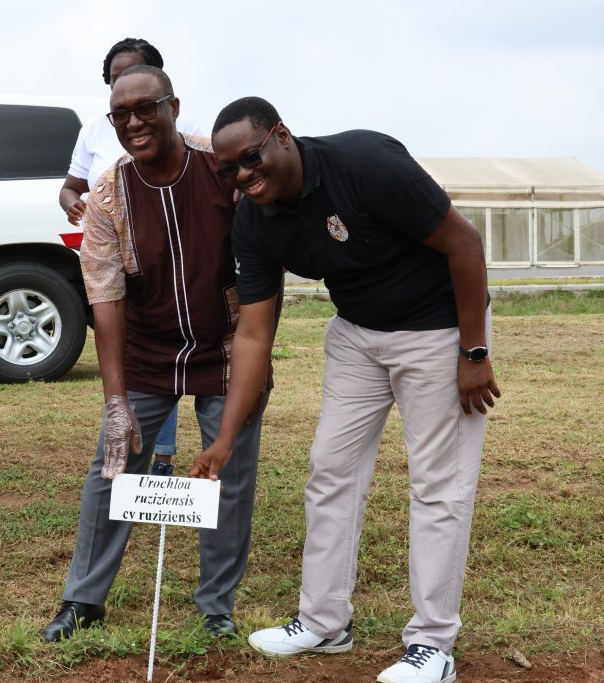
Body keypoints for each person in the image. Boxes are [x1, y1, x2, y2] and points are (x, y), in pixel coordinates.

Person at [199, 97, 501, 683]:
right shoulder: (254, 218)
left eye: (251, 157)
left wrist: (473, 352)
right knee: (329, 471)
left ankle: (433, 646)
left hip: (439, 329)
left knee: (438, 485)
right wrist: (226, 437)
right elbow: (255, 334)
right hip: (358, 335)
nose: (243, 174)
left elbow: (466, 244)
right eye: (228, 169)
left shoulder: (366, 164)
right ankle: (324, 621)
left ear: (281, 136)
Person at [42, 66, 271, 643]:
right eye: (121, 114)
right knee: (112, 469)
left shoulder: (222, 170)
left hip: (225, 348)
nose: (134, 123)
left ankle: (216, 606)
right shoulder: (107, 197)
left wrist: (255, 361)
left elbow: (262, 271)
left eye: (147, 108)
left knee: (229, 476)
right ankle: (82, 600)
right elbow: (106, 301)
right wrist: (115, 399)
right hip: (146, 351)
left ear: (173, 105)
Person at [58, 38, 205, 477]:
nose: (131, 117)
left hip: (173, 257)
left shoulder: (192, 130)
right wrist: (73, 202)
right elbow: (73, 185)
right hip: (114, 253)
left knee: (174, 342)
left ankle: (163, 455)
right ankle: (132, 443)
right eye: (115, 80)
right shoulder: (96, 129)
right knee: (136, 351)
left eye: (134, 74)